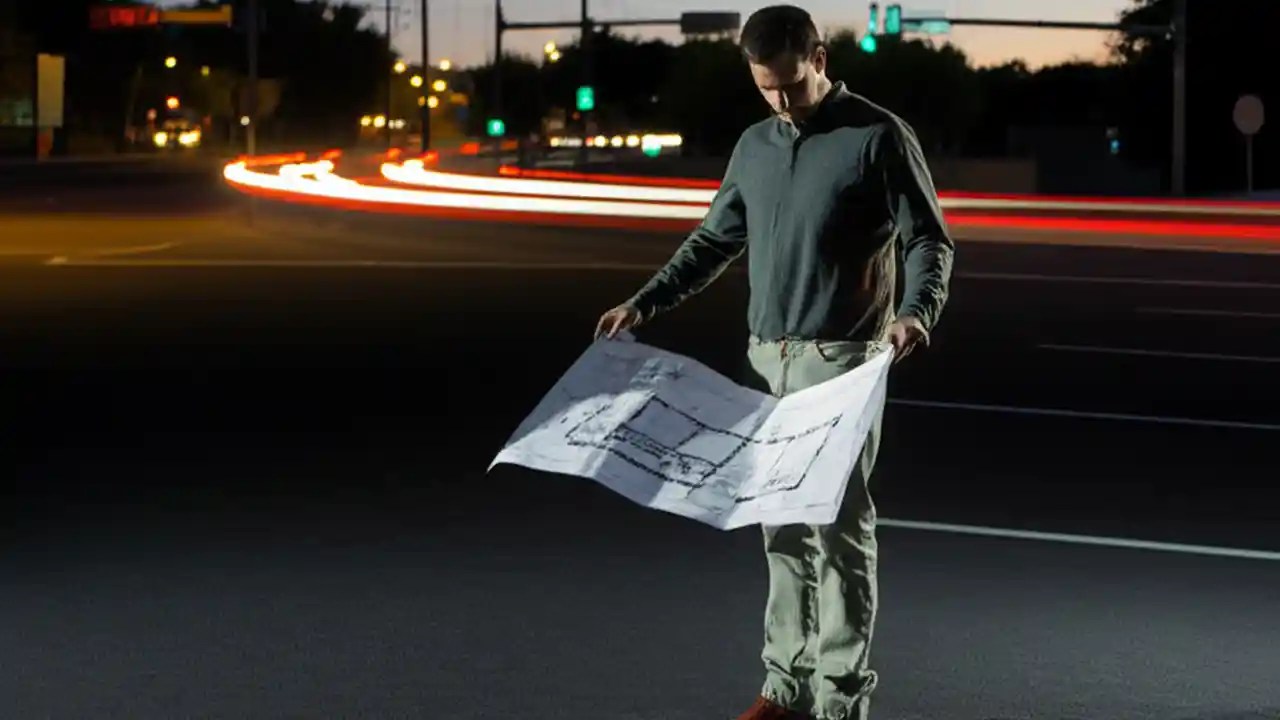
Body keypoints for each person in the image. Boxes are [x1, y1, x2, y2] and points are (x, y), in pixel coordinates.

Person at [593, 5, 954, 720]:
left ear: (819, 58)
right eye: (766, 89)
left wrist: (917, 311)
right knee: (780, 527)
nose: (782, 102)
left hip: (843, 360)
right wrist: (643, 302)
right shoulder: (754, 146)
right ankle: (785, 688)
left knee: (838, 530)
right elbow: (712, 241)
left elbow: (928, 240)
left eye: (791, 85)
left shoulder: (877, 136)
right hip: (768, 361)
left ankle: (839, 701)